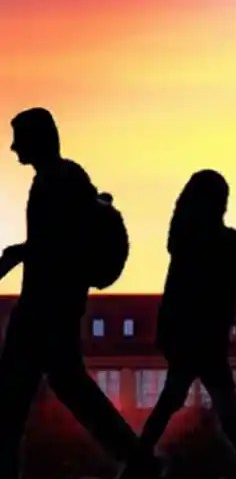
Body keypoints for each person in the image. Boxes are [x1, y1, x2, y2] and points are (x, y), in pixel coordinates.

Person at [0, 108, 153, 479]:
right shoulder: (63, 177)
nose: (13, 146)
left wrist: (21, 253)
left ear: (38, 139)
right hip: (54, 305)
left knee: (13, 402)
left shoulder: (56, 181)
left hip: (45, 309)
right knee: (64, 387)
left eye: (19, 137)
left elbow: (59, 246)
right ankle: (139, 458)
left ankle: (139, 458)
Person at [121, 170, 236, 479]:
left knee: (185, 405)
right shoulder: (204, 244)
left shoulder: (187, 240)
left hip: (196, 339)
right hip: (201, 340)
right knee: (216, 410)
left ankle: (136, 463)